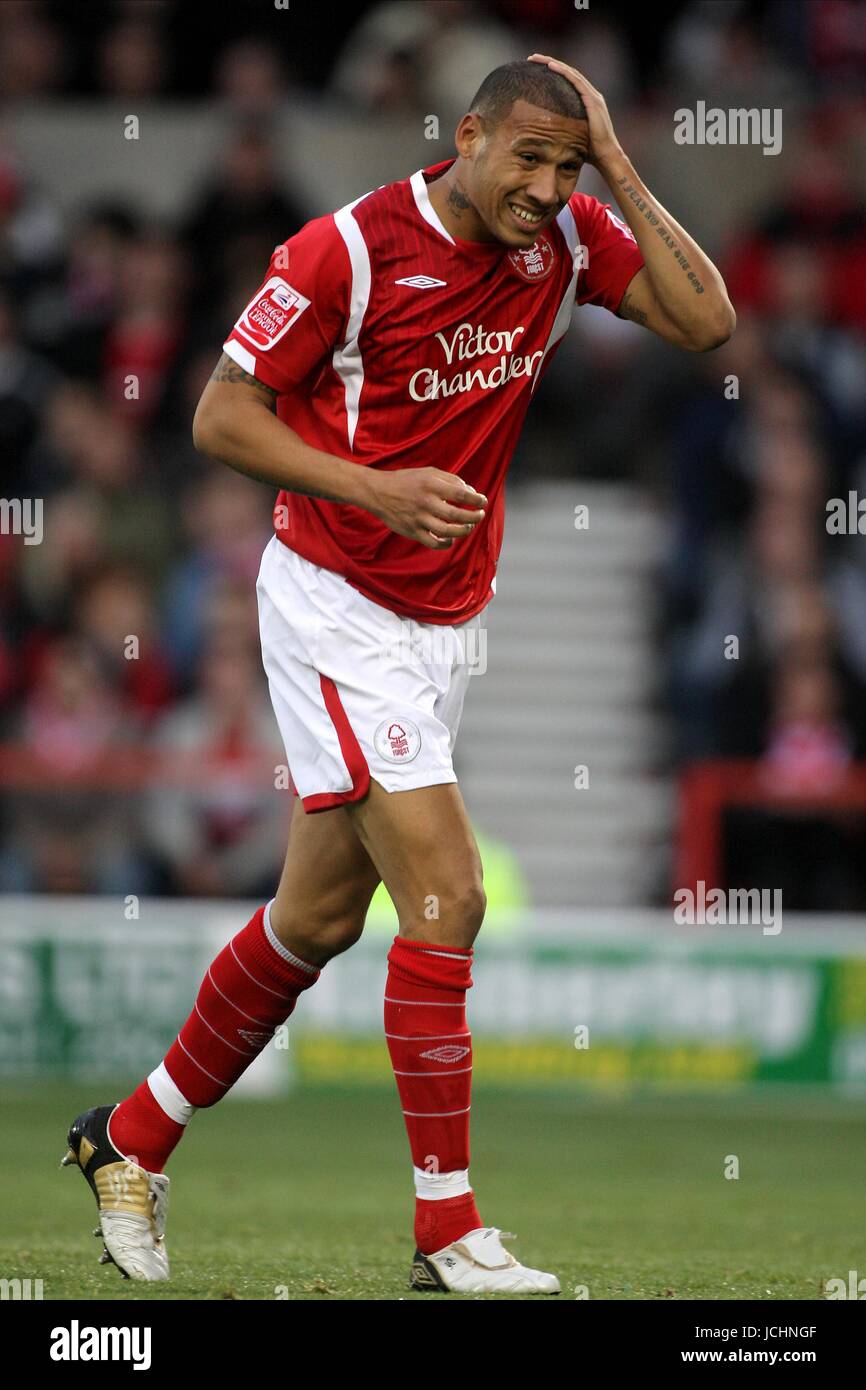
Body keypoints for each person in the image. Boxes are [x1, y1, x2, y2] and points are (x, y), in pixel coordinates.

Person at [62, 56, 734, 1294]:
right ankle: (446, 1230)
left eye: (566, 166)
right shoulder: (349, 249)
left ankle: (130, 1137)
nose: (544, 188)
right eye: (524, 159)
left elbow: (708, 324)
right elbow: (219, 417)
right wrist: (371, 485)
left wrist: (620, 166)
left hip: (441, 621)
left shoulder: (573, 239)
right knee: (450, 890)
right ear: (465, 136)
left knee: (316, 918)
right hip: (334, 603)